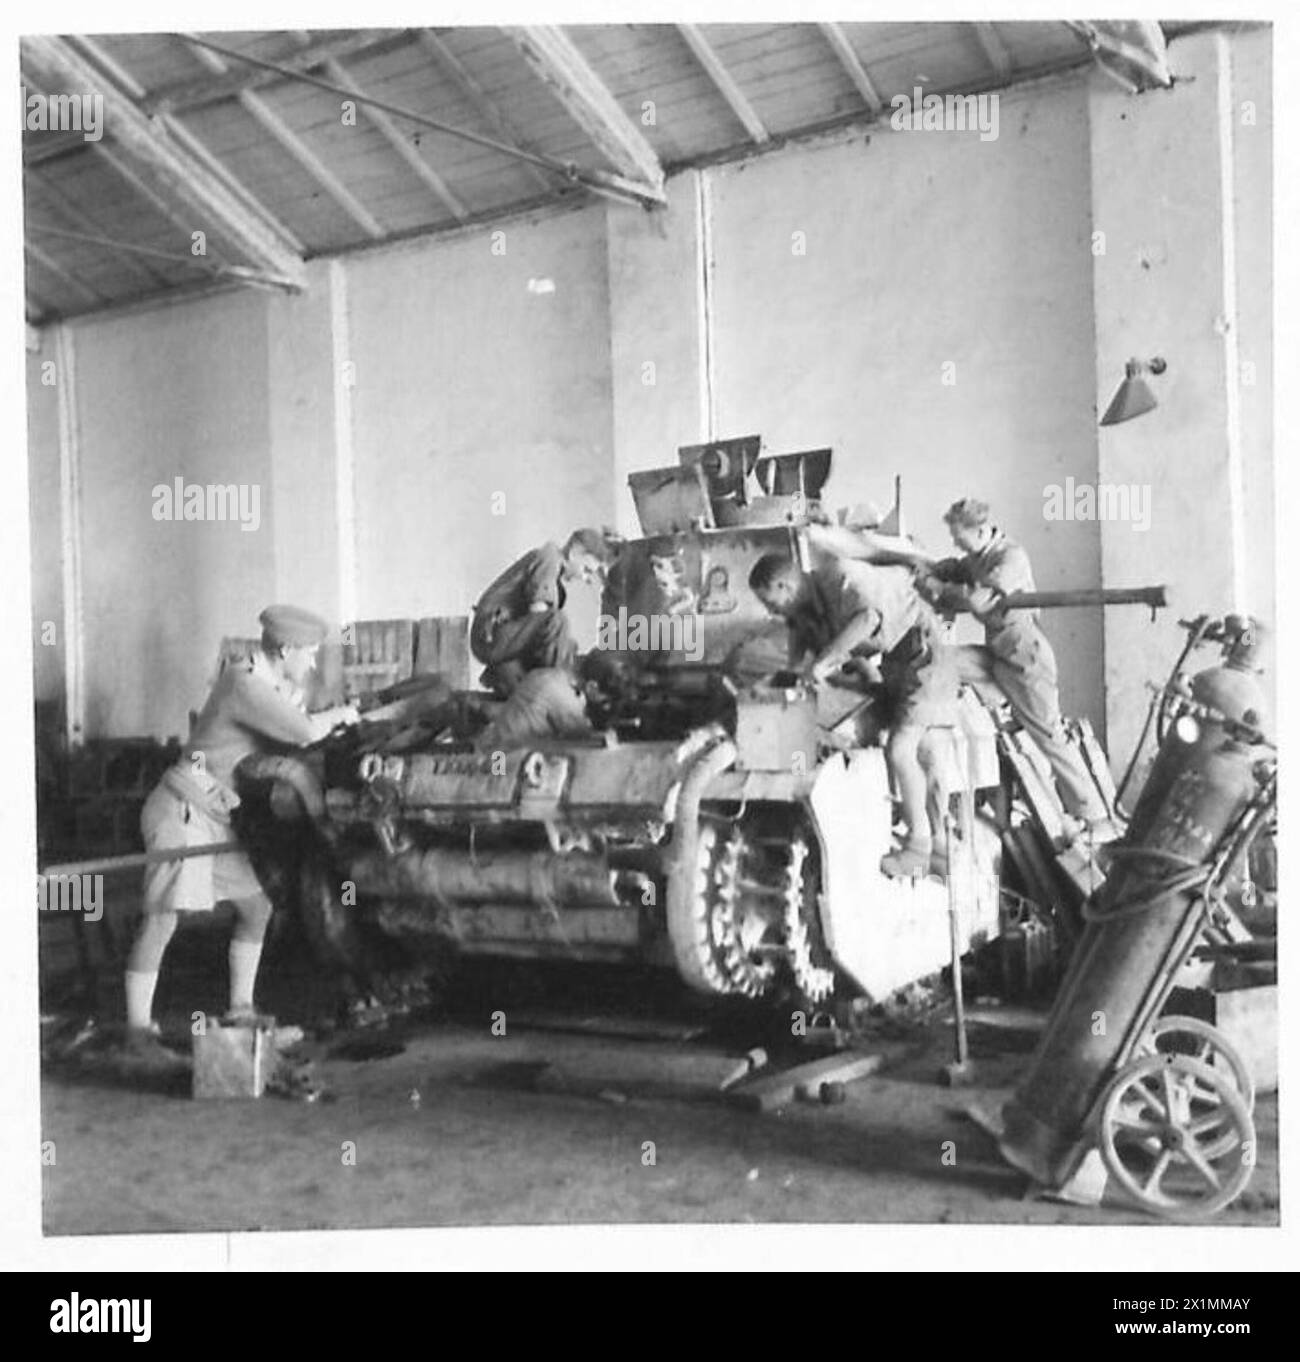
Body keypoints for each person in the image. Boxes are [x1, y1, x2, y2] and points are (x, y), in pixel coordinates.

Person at [122, 605, 359, 1069]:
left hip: (219, 813)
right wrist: (348, 712)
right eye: (308, 653)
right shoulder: (243, 681)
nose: (311, 663)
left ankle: (241, 1010)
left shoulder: (273, 686)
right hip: (184, 809)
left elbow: (295, 728)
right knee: (162, 919)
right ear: (286, 649)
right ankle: (136, 1031)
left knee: (257, 907)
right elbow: (307, 731)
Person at [748, 551, 958, 879]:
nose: (769, 610)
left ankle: (920, 851)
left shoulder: (841, 576)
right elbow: (796, 661)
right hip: (897, 667)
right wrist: (781, 684)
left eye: (771, 602)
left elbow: (868, 619)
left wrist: (824, 664)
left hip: (927, 658)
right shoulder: (801, 612)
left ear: (784, 586)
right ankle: (940, 851)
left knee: (904, 750)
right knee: (916, 750)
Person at [917, 497, 1115, 840]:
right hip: (997, 656)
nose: (955, 541)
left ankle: (1097, 818)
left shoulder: (1010, 558)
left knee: (1049, 735)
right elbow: (954, 568)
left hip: (1026, 659)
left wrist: (937, 588)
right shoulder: (979, 557)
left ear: (980, 530)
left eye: (958, 535)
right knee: (942, 659)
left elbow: (976, 599)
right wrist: (924, 567)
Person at [470, 528, 618, 696]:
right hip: (490, 636)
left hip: (502, 639)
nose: (585, 578)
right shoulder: (549, 557)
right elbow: (539, 616)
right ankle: (562, 686)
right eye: (586, 570)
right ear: (574, 553)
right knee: (557, 621)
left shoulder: (555, 581)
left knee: (566, 645)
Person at [472, 665, 595, 751]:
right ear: (592, 686)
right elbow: (581, 734)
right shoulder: (564, 698)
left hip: (495, 745)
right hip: (504, 759)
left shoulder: (548, 674)